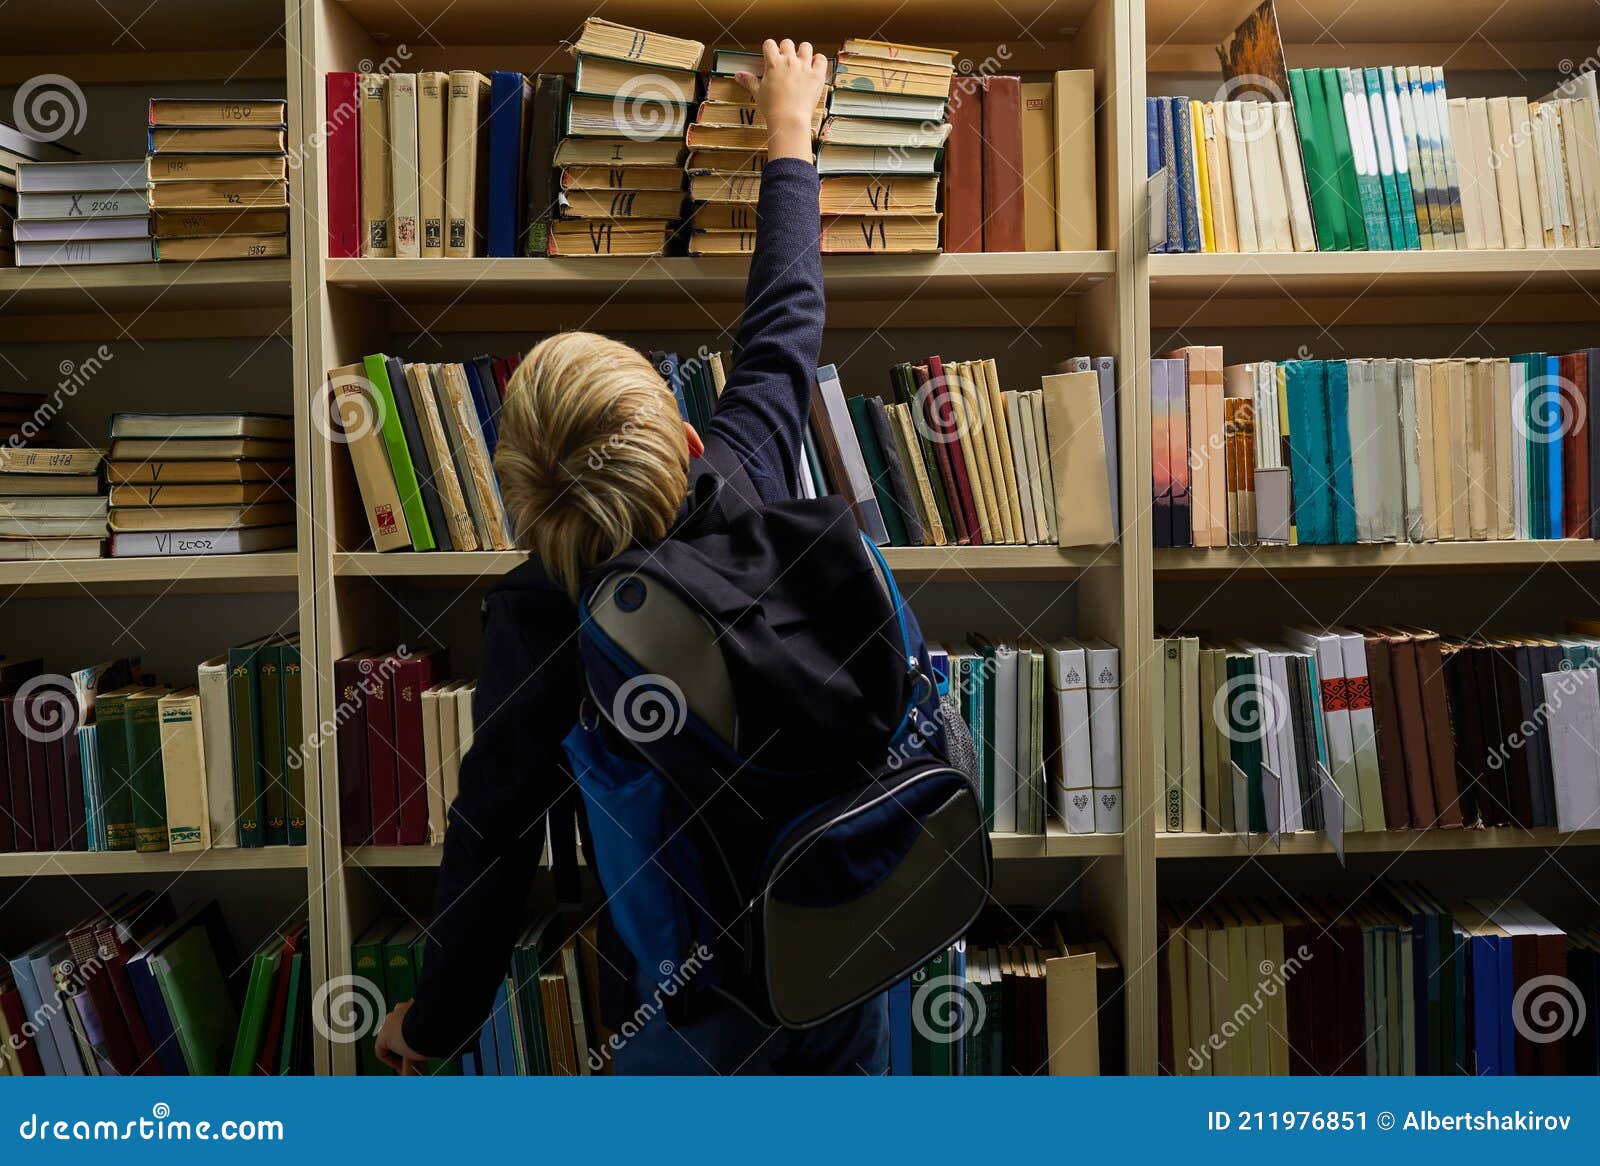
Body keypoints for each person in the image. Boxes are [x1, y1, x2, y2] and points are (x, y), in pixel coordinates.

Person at [373, 39, 889, 1076]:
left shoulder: (543, 608)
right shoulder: (742, 473)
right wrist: (791, 129)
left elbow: (493, 835)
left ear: (517, 496)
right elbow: (787, 319)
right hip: (845, 935)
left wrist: (430, 1027)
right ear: (686, 437)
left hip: (685, 1002)